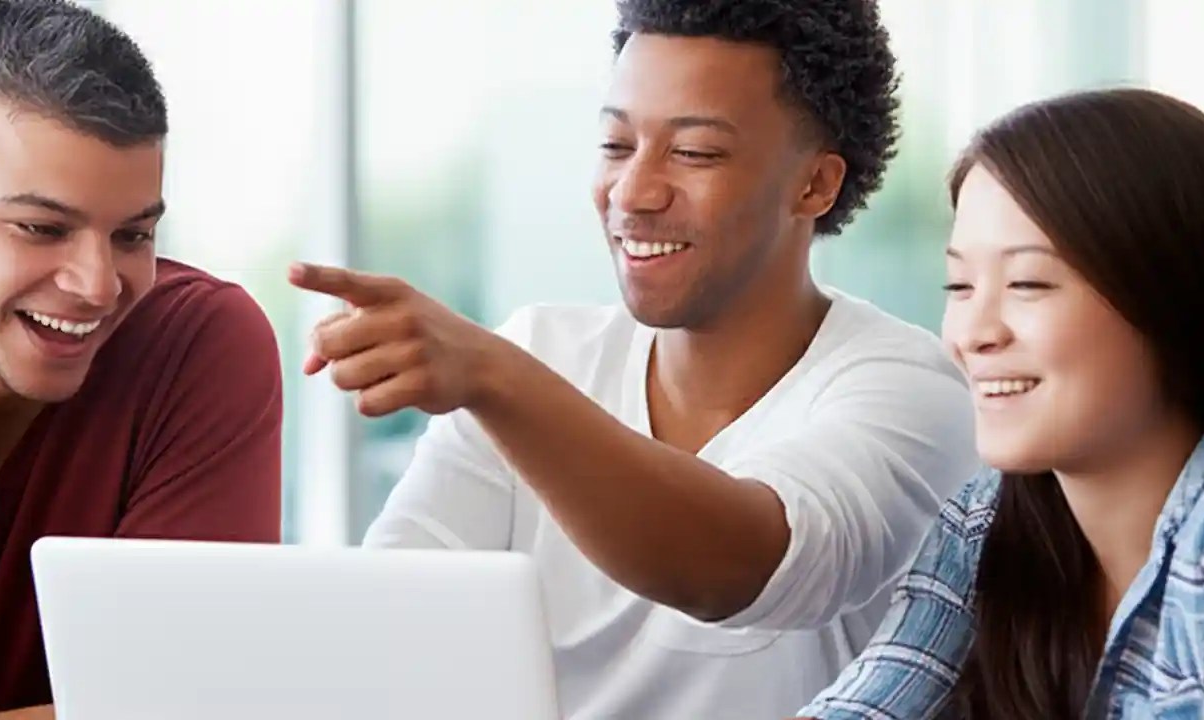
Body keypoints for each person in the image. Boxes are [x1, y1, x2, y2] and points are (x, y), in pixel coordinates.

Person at [291, 0, 978, 716]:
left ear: (815, 184)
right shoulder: (537, 352)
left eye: (695, 152)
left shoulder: (908, 389)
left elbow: (734, 568)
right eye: (617, 146)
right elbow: (387, 624)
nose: (634, 192)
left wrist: (494, 378)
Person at [796, 88, 1204, 720]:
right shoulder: (984, 524)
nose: (974, 334)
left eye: (1028, 283)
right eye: (961, 286)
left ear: (1164, 289)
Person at [0, 1, 284, 718]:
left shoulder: (195, 344)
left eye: (132, 236)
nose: (98, 285)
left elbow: (192, 704)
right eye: (41, 228)